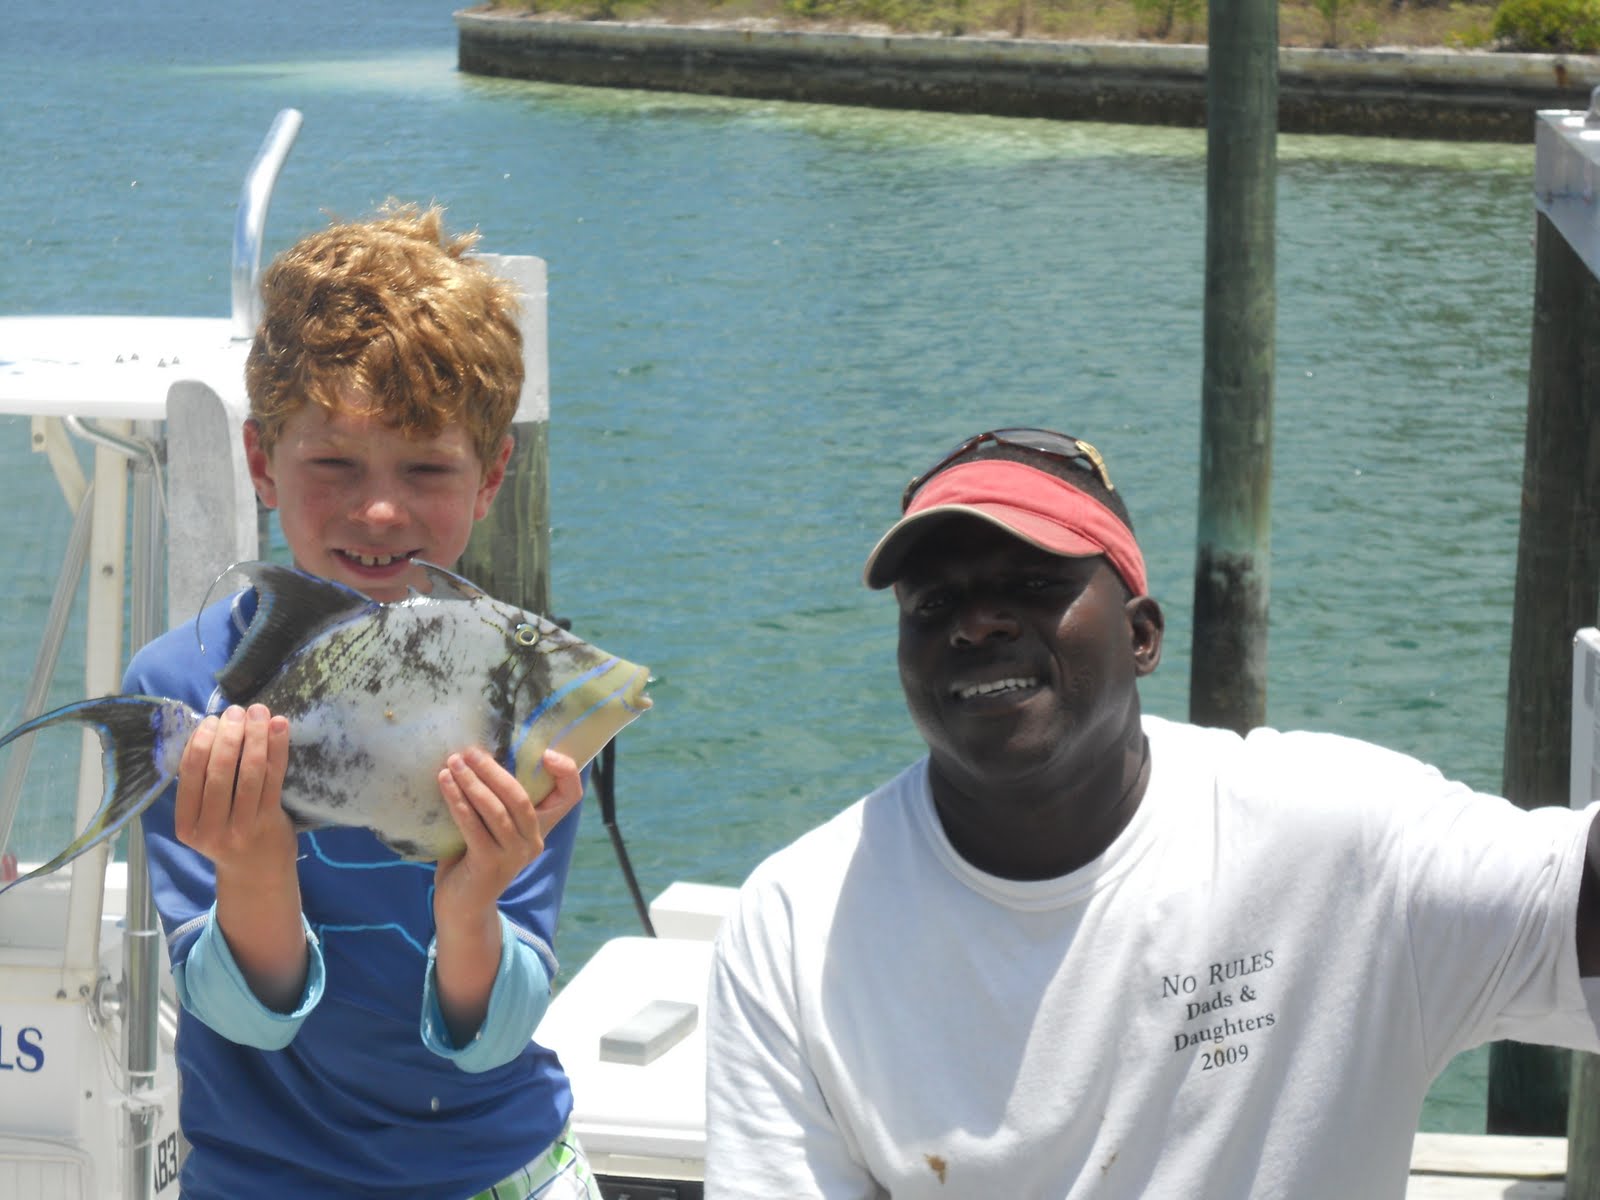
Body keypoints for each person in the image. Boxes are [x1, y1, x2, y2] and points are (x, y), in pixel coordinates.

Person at [704, 427, 1600, 1198]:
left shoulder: (1343, 842)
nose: (975, 625)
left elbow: (1573, 902)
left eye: (1032, 583)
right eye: (933, 604)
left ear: (1142, 635)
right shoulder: (795, 926)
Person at [128, 203, 605, 1199]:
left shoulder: (523, 685)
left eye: (426, 467)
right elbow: (241, 1016)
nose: (379, 510)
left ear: (491, 477)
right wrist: (256, 860)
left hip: (494, 1166)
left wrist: (470, 906)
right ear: (262, 462)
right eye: (333, 463)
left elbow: (493, 1041)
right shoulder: (177, 693)